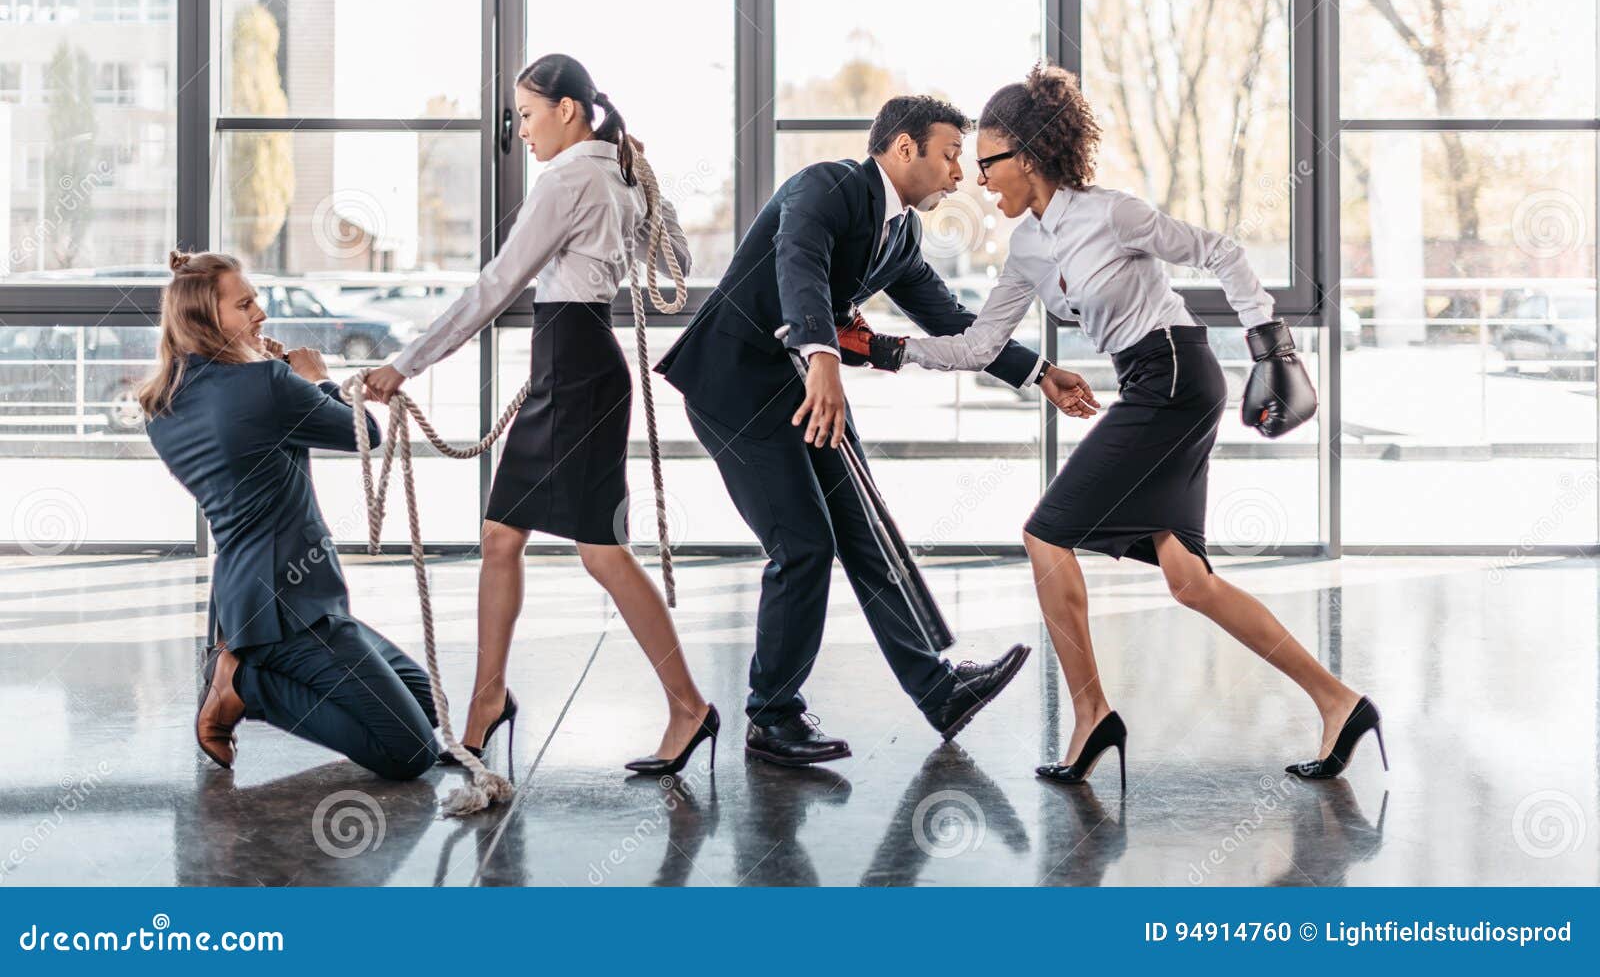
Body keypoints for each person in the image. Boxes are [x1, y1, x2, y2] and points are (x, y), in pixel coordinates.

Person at [885, 63, 1384, 786]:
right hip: (1152, 381)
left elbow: (1221, 251)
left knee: (1044, 535)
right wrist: (884, 350)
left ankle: (1092, 717)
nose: (979, 180)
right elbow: (978, 346)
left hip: (1177, 376)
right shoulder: (1027, 246)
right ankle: (1341, 704)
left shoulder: (1109, 213)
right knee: (1189, 581)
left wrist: (1271, 346)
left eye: (988, 162)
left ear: (1027, 155)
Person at [656, 94, 1090, 768]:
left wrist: (1037, 372)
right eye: (950, 154)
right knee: (803, 544)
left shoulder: (900, 236)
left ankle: (938, 691)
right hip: (735, 385)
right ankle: (772, 718)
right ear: (904, 148)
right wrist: (824, 352)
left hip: (799, 386)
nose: (959, 174)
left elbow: (951, 318)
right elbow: (795, 261)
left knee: (865, 532)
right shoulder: (824, 186)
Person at [362, 54, 717, 777]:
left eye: (526, 115)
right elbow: (676, 253)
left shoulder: (569, 179)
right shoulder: (616, 172)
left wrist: (406, 363)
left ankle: (688, 706)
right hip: (575, 362)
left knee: (600, 552)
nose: (520, 131)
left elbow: (497, 285)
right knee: (501, 537)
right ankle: (486, 702)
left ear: (567, 109)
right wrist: (648, 182)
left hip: (576, 369)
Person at [141, 250, 440, 781]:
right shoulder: (268, 388)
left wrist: (272, 373)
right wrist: (313, 378)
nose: (260, 313)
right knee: (410, 751)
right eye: (245, 304)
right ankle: (243, 688)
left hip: (246, 601)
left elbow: (250, 440)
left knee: (426, 702)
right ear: (207, 319)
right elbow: (364, 434)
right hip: (292, 609)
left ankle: (245, 667)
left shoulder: (163, 404)